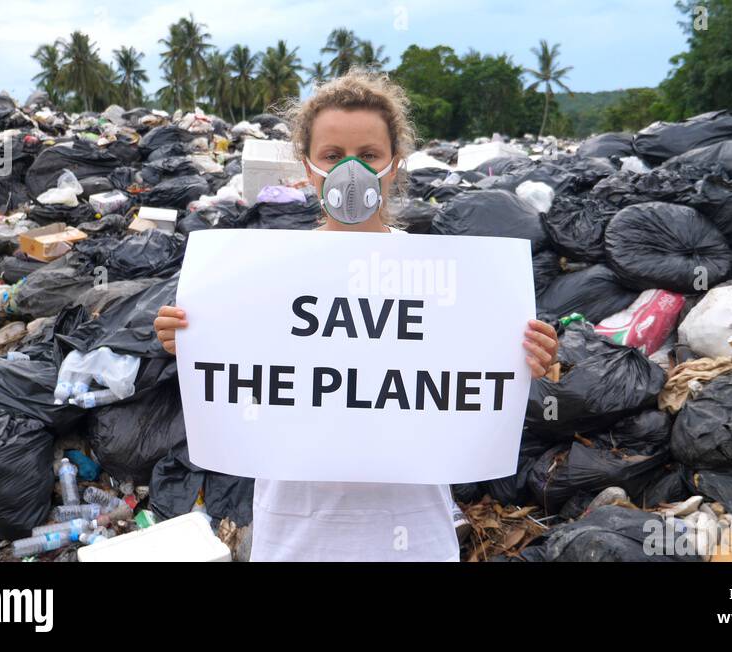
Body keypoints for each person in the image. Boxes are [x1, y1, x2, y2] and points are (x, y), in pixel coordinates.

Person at [155, 70, 558, 561]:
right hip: (295, 536)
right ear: (307, 166)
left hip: (414, 536)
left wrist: (527, 357)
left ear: (394, 166)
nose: (352, 171)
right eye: (332, 156)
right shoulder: (260, 276)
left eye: (368, 155)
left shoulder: (445, 280)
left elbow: (469, 378)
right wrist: (193, 340)